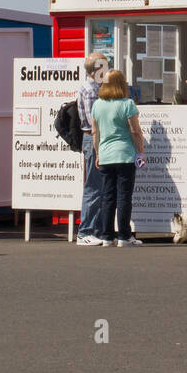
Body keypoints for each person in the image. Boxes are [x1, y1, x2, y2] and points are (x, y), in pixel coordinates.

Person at [90, 69, 146, 247]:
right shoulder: (127, 104)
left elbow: (94, 132)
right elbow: (135, 130)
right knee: (124, 197)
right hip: (124, 154)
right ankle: (124, 235)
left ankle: (107, 236)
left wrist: (98, 153)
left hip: (105, 155)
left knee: (107, 197)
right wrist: (141, 151)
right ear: (121, 84)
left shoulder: (97, 104)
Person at [76, 53, 110, 246]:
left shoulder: (99, 87)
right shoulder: (90, 89)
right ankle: (85, 231)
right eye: (104, 64)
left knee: (101, 187)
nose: (107, 67)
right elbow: (92, 122)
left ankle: (95, 231)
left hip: (98, 139)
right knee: (94, 187)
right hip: (94, 139)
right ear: (95, 70)